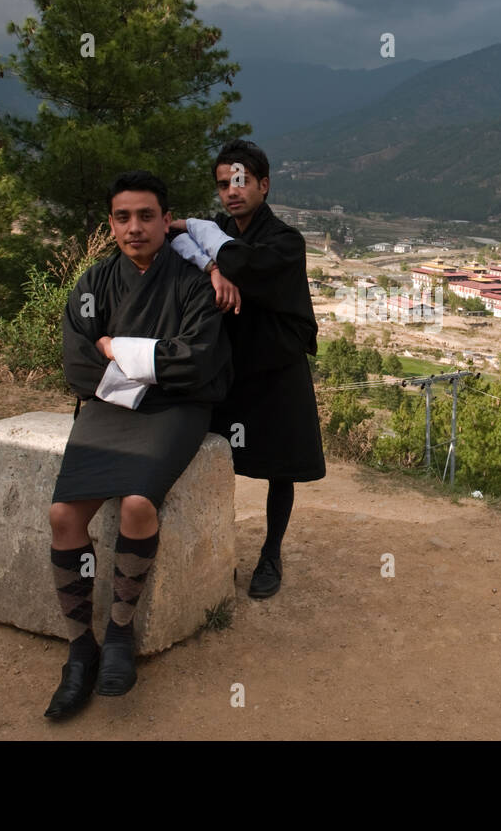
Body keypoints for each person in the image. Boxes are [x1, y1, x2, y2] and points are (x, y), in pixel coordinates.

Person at [44, 169, 233, 720]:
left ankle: (120, 630)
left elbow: (196, 359)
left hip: (176, 411)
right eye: (123, 217)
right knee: (62, 515)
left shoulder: (194, 283)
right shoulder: (94, 283)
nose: (135, 227)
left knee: (137, 503)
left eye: (146, 216)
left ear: (166, 220)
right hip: (107, 409)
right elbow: (78, 363)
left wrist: (116, 350)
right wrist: (145, 358)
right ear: (110, 224)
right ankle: (80, 647)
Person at [169, 139, 325, 600]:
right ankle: (208, 545)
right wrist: (211, 267)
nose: (231, 192)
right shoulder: (216, 229)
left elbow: (244, 263)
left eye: (240, 182)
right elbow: (175, 237)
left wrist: (213, 249)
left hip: (277, 368)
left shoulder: (285, 241)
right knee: (208, 452)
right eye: (222, 185)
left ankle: (271, 553)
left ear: (263, 184)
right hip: (229, 365)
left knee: (282, 468)